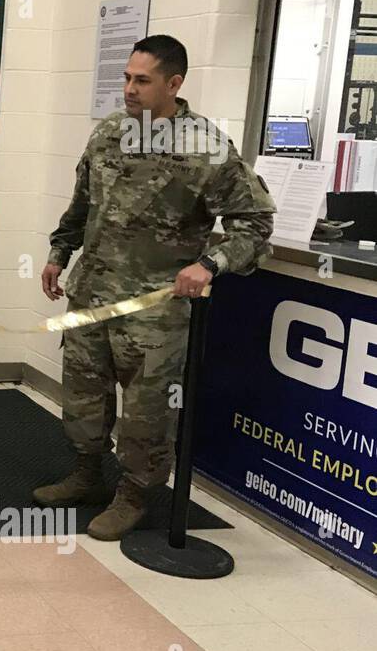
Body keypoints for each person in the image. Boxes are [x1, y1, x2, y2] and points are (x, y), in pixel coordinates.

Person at [38, 34, 275, 540]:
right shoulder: (108, 133)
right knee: (83, 395)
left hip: (155, 307)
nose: (128, 89)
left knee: (147, 411)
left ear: (173, 83)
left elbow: (254, 223)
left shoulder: (205, 147)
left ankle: (135, 494)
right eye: (126, 77)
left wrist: (211, 264)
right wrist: (60, 253)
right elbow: (82, 205)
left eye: (141, 80)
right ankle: (87, 474)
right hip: (93, 293)